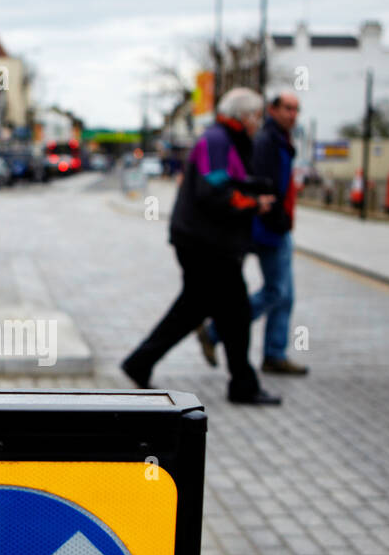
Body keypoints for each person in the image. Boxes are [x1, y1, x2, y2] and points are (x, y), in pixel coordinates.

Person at [121, 88, 281, 405]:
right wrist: (254, 203)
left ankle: (140, 362)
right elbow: (214, 191)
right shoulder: (218, 140)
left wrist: (253, 190)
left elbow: (227, 181)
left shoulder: (224, 139)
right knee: (233, 311)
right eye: (257, 116)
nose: (258, 123)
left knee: (198, 309)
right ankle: (242, 384)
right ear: (244, 116)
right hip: (205, 244)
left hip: (206, 242)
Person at [198, 90, 308, 375]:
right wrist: (262, 209)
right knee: (276, 291)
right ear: (272, 110)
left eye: (296, 109)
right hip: (267, 225)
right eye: (286, 108)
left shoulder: (278, 140)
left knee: (284, 294)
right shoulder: (264, 141)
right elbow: (238, 184)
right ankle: (217, 332)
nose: (292, 114)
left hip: (274, 223)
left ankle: (273, 352)